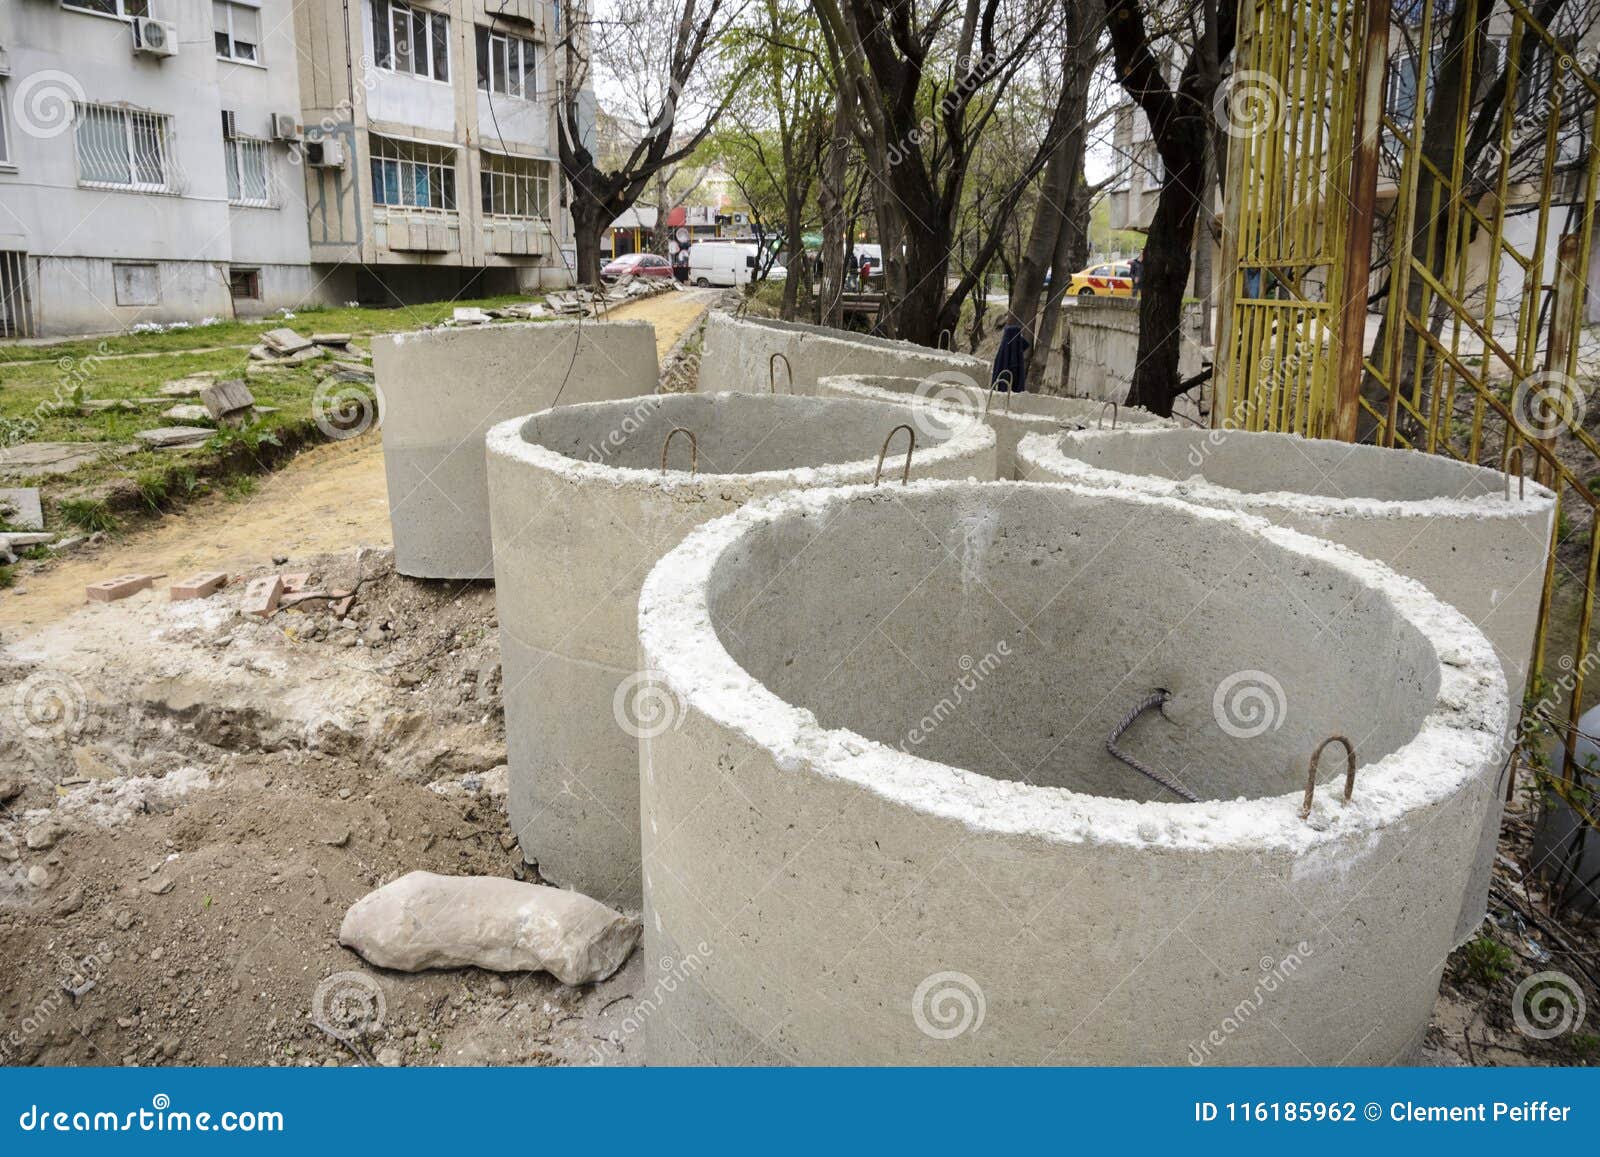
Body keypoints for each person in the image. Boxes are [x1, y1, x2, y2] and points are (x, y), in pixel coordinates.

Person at [991, 314, 1030, 393]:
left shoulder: (1008, 348)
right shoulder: (1012, 352)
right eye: (1019, 336)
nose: (1020, 337)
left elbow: (1026, 344)